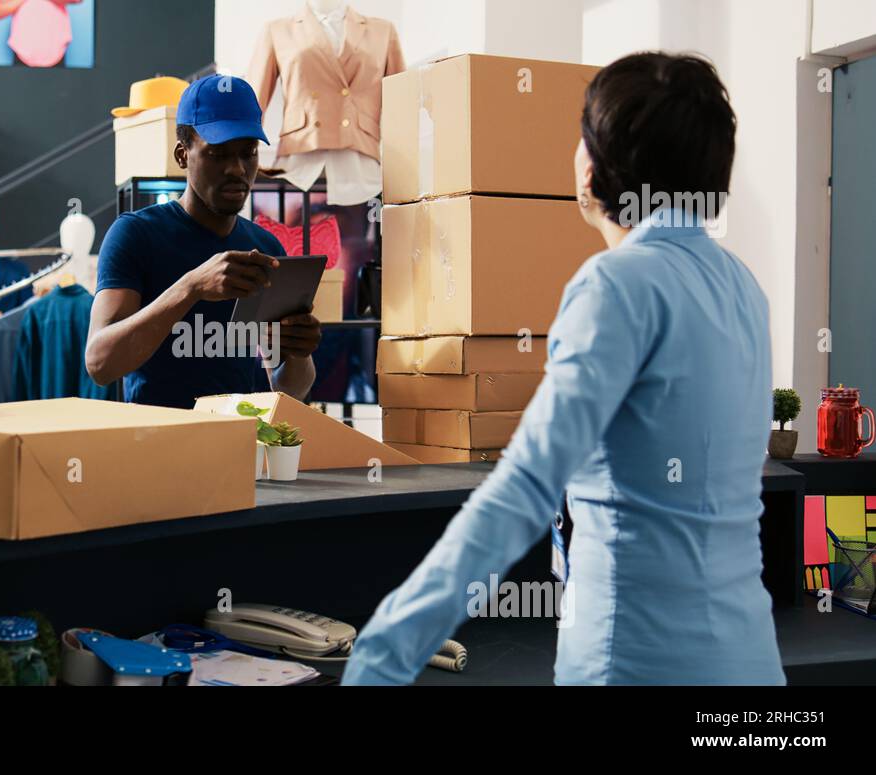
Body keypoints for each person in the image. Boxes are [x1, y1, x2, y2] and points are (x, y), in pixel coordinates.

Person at [344, 52, 784, 685]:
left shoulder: (617, 284)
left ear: (602, 164)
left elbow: (523, 490)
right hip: (748, 668)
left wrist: (385, 651)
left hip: (634, 661)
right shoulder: (743, 287)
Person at [86, 75, 322, 409]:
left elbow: (289, 390)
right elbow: (99, 364)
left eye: (248, 153)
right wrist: (191, 287)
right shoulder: (137, 235)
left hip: (241, 446)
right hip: (159, 448)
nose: (237, 169)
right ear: (183, 155)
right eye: (217, 154)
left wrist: (299, 352)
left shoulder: (265, 247)